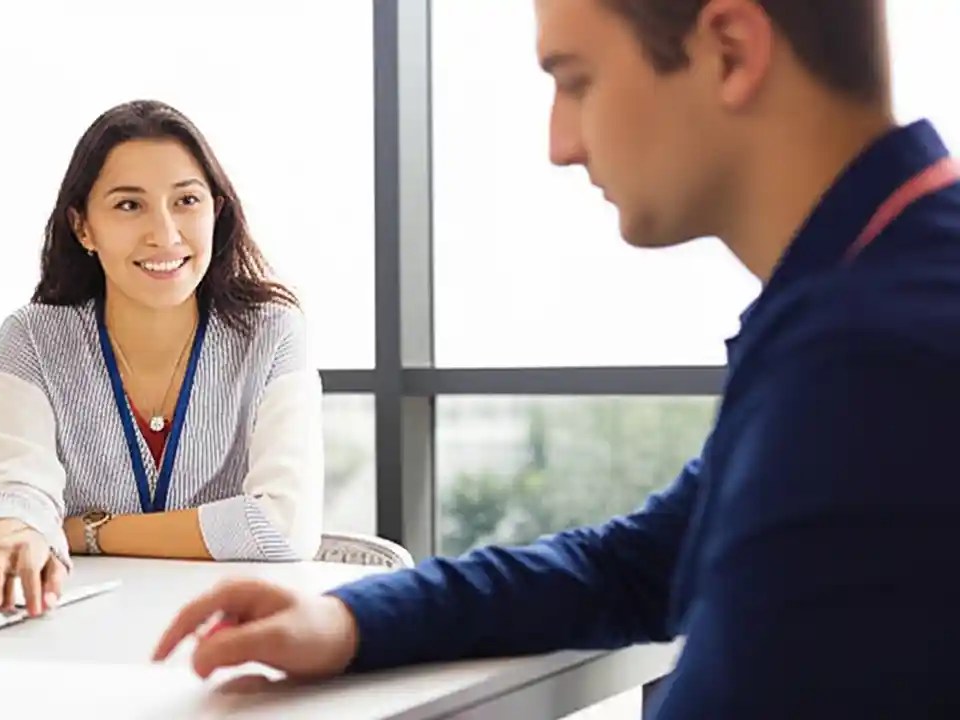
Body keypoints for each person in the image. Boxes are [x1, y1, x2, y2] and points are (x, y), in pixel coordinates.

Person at [153, 0, 960, 716]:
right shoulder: (871, 289)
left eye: (575, 80)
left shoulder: (875, 364)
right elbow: (636, 566)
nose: (559, 143)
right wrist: (351, 619)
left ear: (731, 51)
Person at [0, 100, 324, 618]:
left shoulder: (272, 332)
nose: (165, 233)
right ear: (83, 226)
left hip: (231, 630)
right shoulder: (33, 338)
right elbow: (11, 491)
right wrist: (15, 535)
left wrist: (84, 531)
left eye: (186, 201)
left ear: (215, 212)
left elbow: (282, 524)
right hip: (76, 630)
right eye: (129, 206)